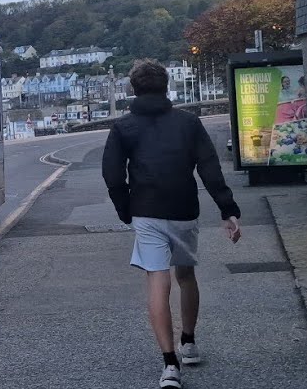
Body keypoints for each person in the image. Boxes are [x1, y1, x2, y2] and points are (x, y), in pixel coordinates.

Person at [103, 60, 241, 389]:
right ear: (166, 86)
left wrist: (125, 209)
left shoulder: (123, 127)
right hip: (184, 209)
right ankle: (189, 342)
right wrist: (228, 209)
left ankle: (169, 365)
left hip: (146, 210)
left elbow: (112, 175)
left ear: (132, 89)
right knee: (185, 274)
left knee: (157, 279)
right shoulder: (189, 122)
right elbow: (209, 167)